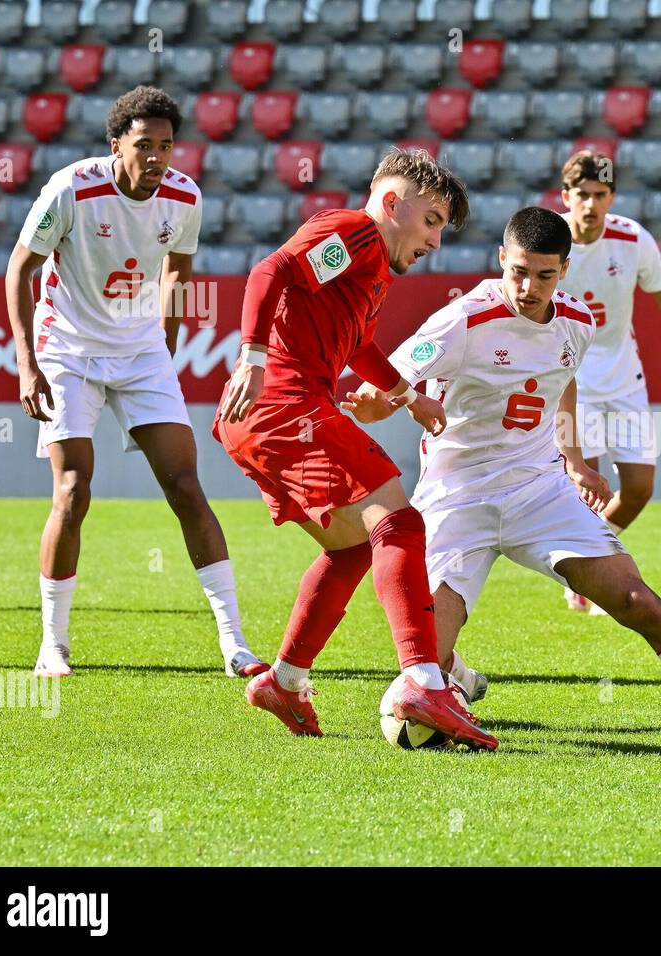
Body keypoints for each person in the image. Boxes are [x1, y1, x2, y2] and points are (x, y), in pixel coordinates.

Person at [343, 207, 661, 737]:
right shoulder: (462, 320)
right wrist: (376, 406)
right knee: (423, 656)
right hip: (456, 499)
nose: (528, 287)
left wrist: (574, 460)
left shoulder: (577, 321)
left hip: (539, 493)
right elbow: (391, 380)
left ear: (564, 270)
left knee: (636, 599)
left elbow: (561, 380)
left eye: (543, 274)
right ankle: (457, 677)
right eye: (518, 271)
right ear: (501, 259)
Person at [213, 147, 497, 749]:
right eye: (432, 221)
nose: (436, 242)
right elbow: (270, 271)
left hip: (276, 415)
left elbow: (357, 347)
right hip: (284, 407)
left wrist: (409, 397)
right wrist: (253, 357)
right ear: (393, 203)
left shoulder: (366, 267)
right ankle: (424, 678)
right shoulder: (356, 234)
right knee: (398, 520)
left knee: (351, 551)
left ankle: (285, 681)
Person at [5, 86, 263, 678]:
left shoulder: (185, 196)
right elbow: (21, 267)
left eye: (166, 146)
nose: (156, 157)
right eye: (143, 144)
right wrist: (26, 360)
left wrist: (166, 332)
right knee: (73, 491)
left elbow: (178, 263)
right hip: (68, 348)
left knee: (186, 486)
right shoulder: (71, 188)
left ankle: (235, 644)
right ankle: (54, 644)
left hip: (141, 350)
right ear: (116, 143)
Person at [554, 151, 661, 613]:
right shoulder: (551, 239)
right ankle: (592, 576)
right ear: (566, 197)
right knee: (588, 485)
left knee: (641, 487)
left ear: (612, 198)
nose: (590, 204)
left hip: (626, 378)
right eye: (582, 195)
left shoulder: (631, 237)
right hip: (569, 380)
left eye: (600, 195)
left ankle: (588, 565)